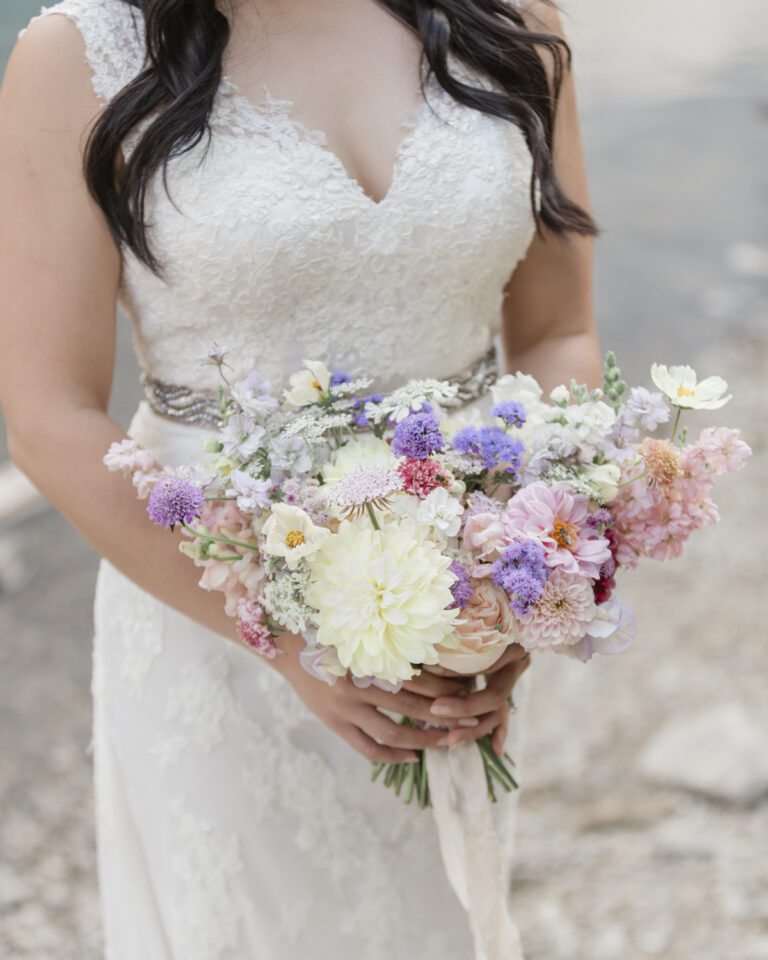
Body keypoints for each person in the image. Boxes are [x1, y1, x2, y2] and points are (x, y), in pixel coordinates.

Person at [0, 0, 600, 956]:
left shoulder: (510, 21)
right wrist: (282, 639)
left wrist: (526, 582)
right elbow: (48, 418)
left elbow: (557, 332)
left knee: (435, 916)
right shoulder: (78, 55)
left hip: (458, 597)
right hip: (216, 606)